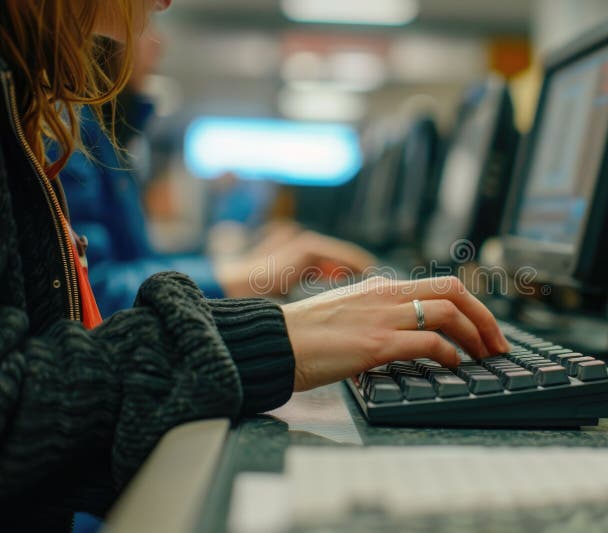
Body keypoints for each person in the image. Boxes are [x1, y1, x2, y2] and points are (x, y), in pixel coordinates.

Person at [0, 1, 510, 531]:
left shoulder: (25, 98)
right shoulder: (48, 111)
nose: (165, 6)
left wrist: (265, 320)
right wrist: (263, 334)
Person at [58, 30, 377, 315]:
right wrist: (251, 274)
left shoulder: (99, 131)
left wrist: (248, 261)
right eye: (146, 22)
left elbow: (139, 262)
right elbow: (92, 294)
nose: (159, 44)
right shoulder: (68, 128)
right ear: (98, 36)